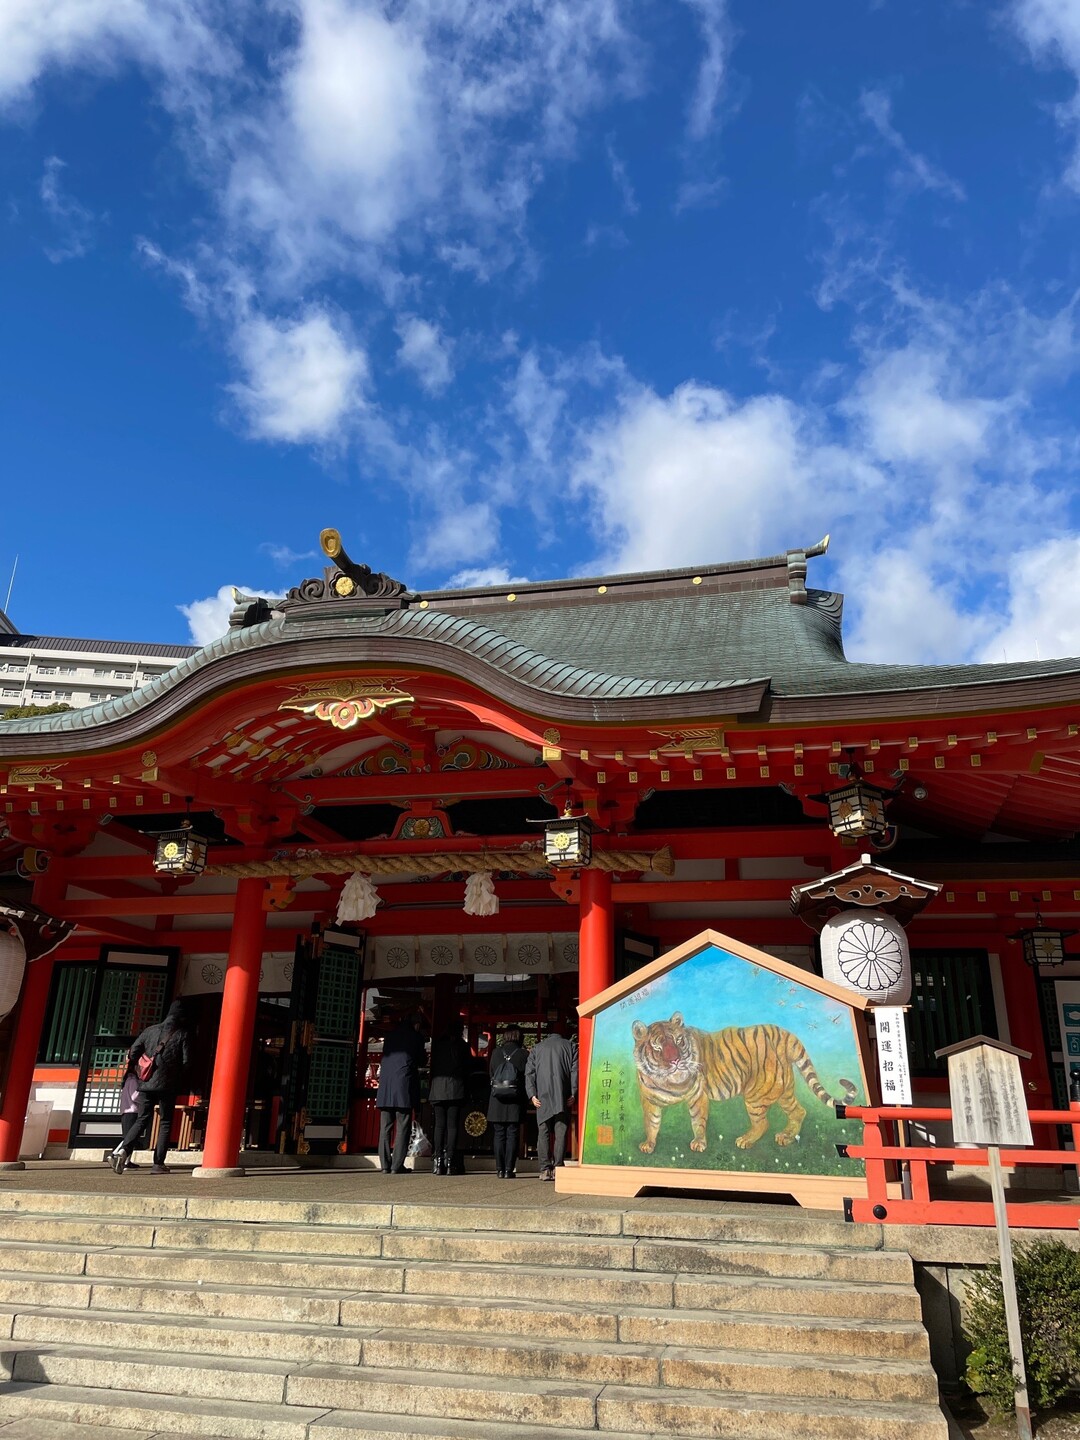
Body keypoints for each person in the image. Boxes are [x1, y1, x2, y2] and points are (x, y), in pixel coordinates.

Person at [110, 1001, 192, 1175]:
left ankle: (123, 1150)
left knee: (142, 1118)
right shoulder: (182, 1034)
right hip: (168, 1084)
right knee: (165, 1122)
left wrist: (142, 1067)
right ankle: (158, 1164)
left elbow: (132, 1053)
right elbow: (186, 1062)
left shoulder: (149, 1031)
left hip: (146, 1083)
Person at [525, 1026, 578, 1181]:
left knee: (543, 1132)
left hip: (542, 1096)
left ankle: (544, 1169)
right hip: (563, 1095)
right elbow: (575, 1071)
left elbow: (529, 1073)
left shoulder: (537, 1048)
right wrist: (573, 1093)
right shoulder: (570, 1046)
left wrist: (532, 1094)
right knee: (560, 1132)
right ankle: (558, 1167)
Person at [376, 1013, 426, 1174]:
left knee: (385, 1127)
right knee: (403, 1126)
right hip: (403, 1085)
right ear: (416, 1024)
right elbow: (421, 1060)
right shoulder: (416, 1037)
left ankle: (384, 1164)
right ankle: (397, 1165)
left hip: (385, 1086)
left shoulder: (390, 1036)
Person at [428, 1020, 472, 1175]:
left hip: (438, 1088)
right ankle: (450, 1160)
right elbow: (468, 1068)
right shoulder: (462, 1046)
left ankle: (437, 1160)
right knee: (452, 1126)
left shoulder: (438, 1045)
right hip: (455, 1088)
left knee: (439, 1125)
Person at [487, 1025, 528, 1179]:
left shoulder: (496, 1053)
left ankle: (499, 1169)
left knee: (498, 1134)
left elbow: (491, 1073)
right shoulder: (523, 1054)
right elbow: (526, 1077)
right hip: (515, 1100)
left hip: (497, 1099)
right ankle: (509, 1169)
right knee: (512, 1134)